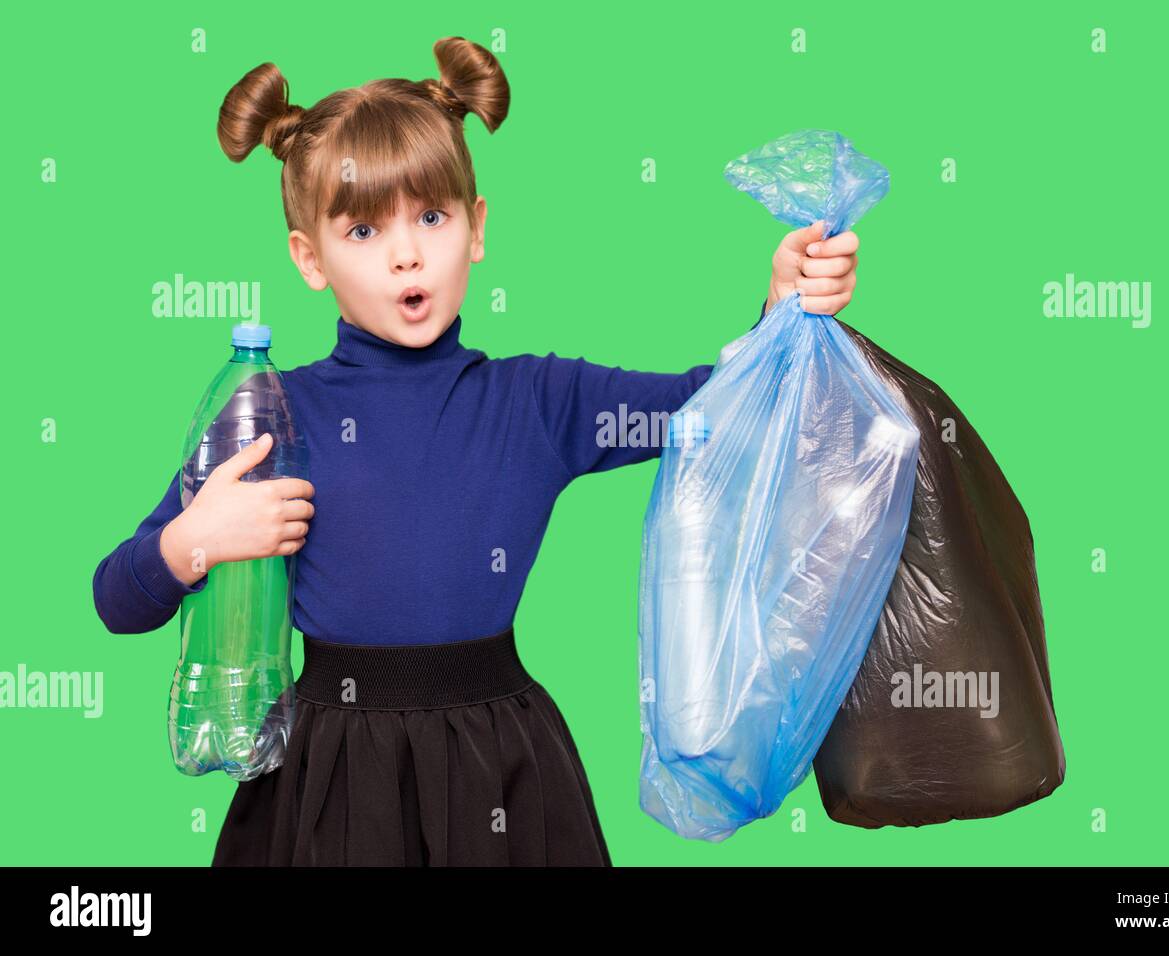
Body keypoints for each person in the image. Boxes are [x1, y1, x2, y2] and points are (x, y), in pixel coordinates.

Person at [91, 35, 861, 866]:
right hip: (321, 785)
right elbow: (116, 597)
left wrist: (779, 308)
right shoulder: (271, 412)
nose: (406, 252)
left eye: (431, 216)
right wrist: (194, 540)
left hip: (502, 772)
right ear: (308, 258)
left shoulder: (540, 400)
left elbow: (706, 414)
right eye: (362, 229)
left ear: (476, 227)